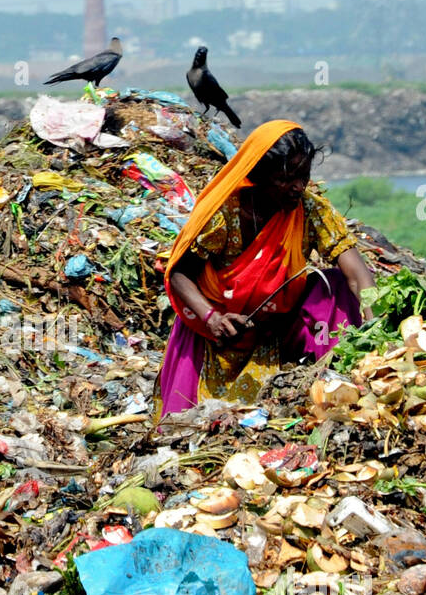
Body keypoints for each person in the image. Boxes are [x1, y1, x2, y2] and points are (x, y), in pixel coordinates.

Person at [156, 119, 375, 417]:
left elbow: (357, 275)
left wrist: (376, 330)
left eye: (304, 177)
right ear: (259, 174)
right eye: (286, 178)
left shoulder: (309, 210)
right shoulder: (226, 213)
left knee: (333, 284)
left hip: (268, 329)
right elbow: (180, 272)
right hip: (214, 329)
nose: (297, 187)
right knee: (194, 424)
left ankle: (330, 376)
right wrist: (212, 318)